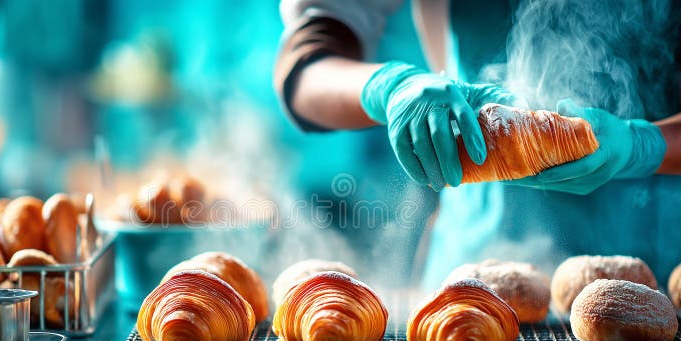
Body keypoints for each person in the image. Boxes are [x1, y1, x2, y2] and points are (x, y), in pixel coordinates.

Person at [274, 0, 681, 288]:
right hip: (480, 272)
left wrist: (648, 145)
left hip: (663, 271)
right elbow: (305, 66)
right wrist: (388, 87)